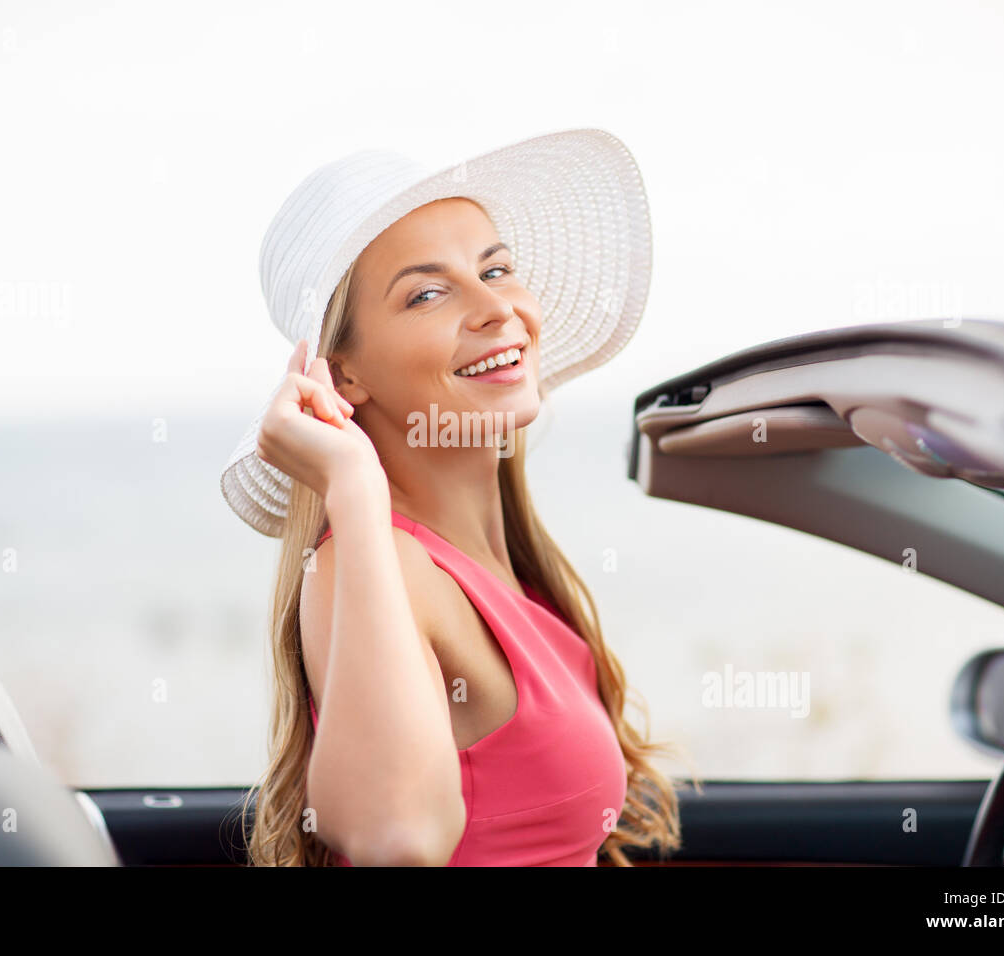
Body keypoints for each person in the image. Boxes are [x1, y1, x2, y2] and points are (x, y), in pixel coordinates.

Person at [222, 129, 690, 865]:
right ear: (343, 377)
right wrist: (351, 487)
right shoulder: (369, 562)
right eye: (428, 293)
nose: (495, 307)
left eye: (495, 269)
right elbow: (395, 840)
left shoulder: (514, 577)